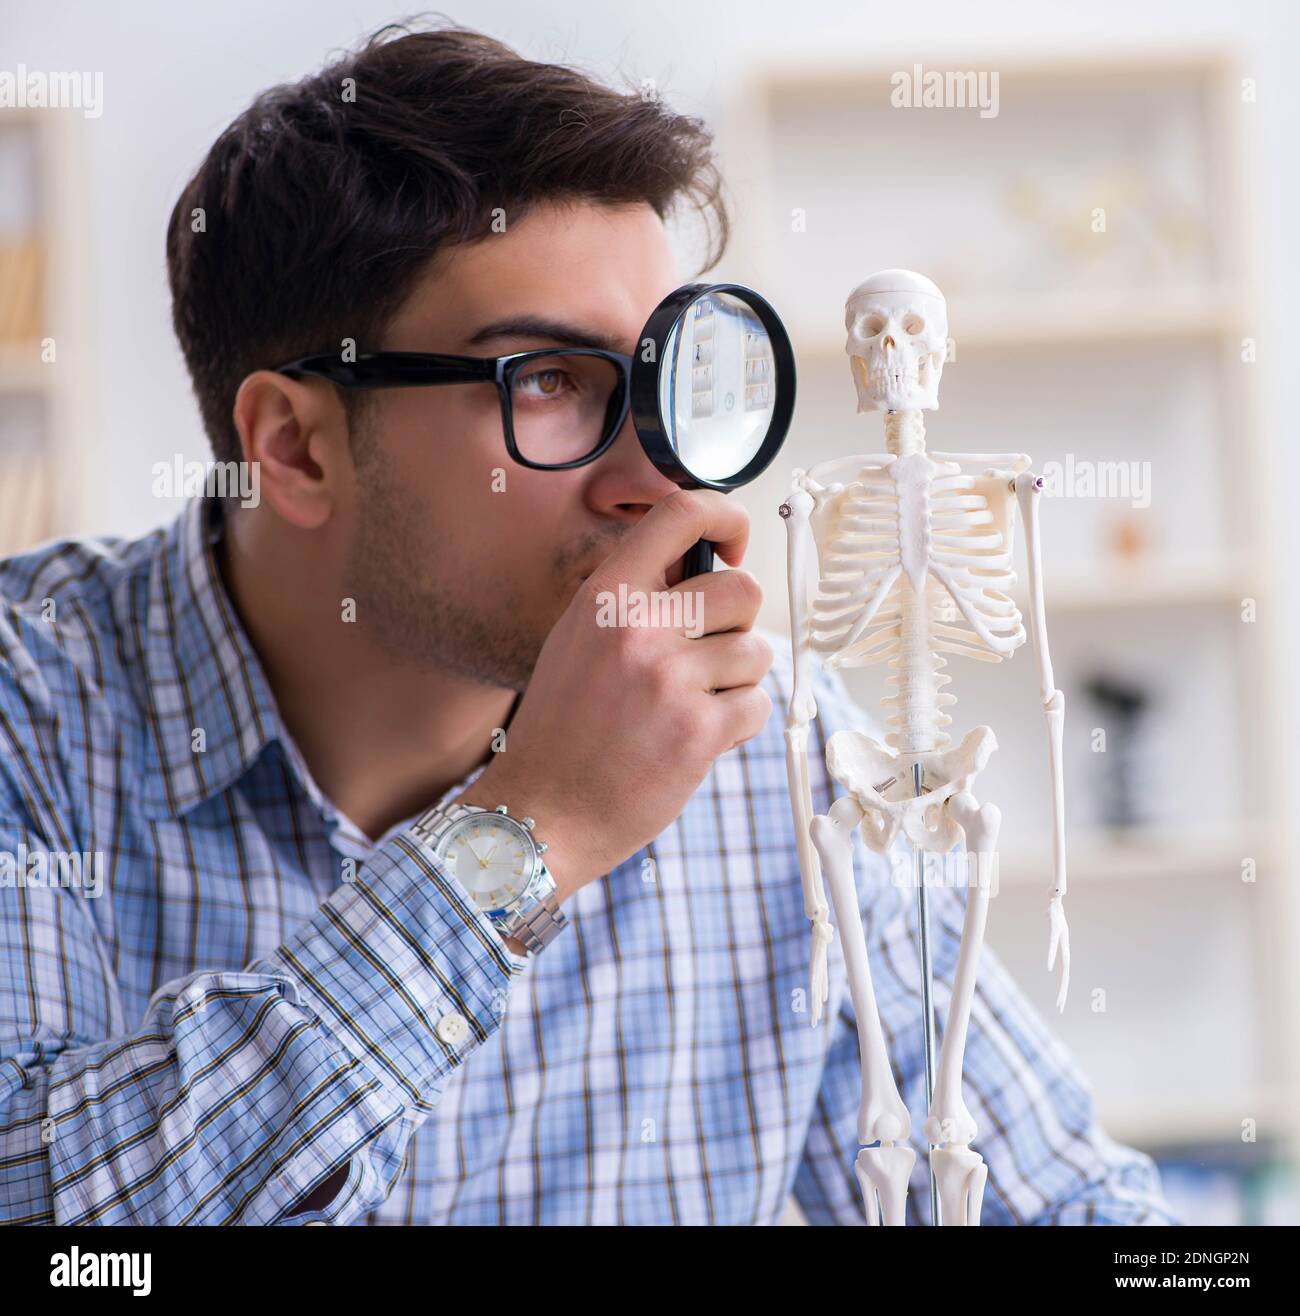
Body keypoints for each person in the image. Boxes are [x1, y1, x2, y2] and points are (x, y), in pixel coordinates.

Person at [0, 21, 1174, 1225]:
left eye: (671, 383)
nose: (658, 482)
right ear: (295, 446)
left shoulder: (770, 745)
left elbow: (1071, 1202)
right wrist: (528, 830)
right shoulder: (29, 706)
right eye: (551, 382)